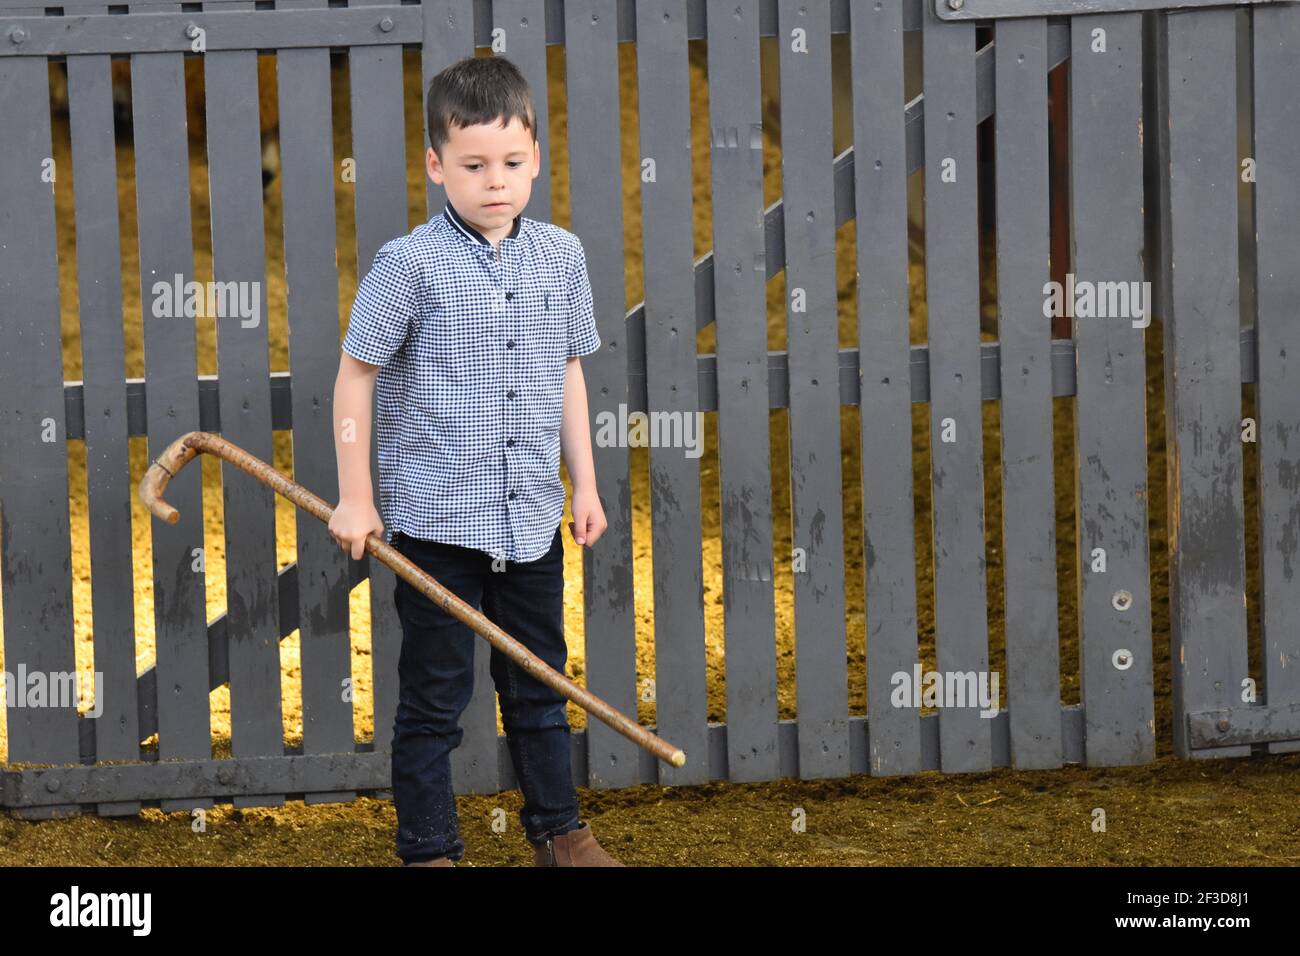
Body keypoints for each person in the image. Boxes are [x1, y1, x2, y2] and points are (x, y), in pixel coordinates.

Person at [328, 55, 622, 867]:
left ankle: (560, 835)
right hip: (436, 525)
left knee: (538, 686)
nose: (497, 182)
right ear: (436, 165)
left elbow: (568, 370)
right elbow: (356, 379)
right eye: (474, 165)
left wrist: (585, 483)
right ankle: (429, 850)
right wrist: (357, 498)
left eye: (513, 163)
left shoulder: (562, 257)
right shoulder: (409, 265)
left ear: (536, 156)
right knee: (434, 700)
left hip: (530, 518)